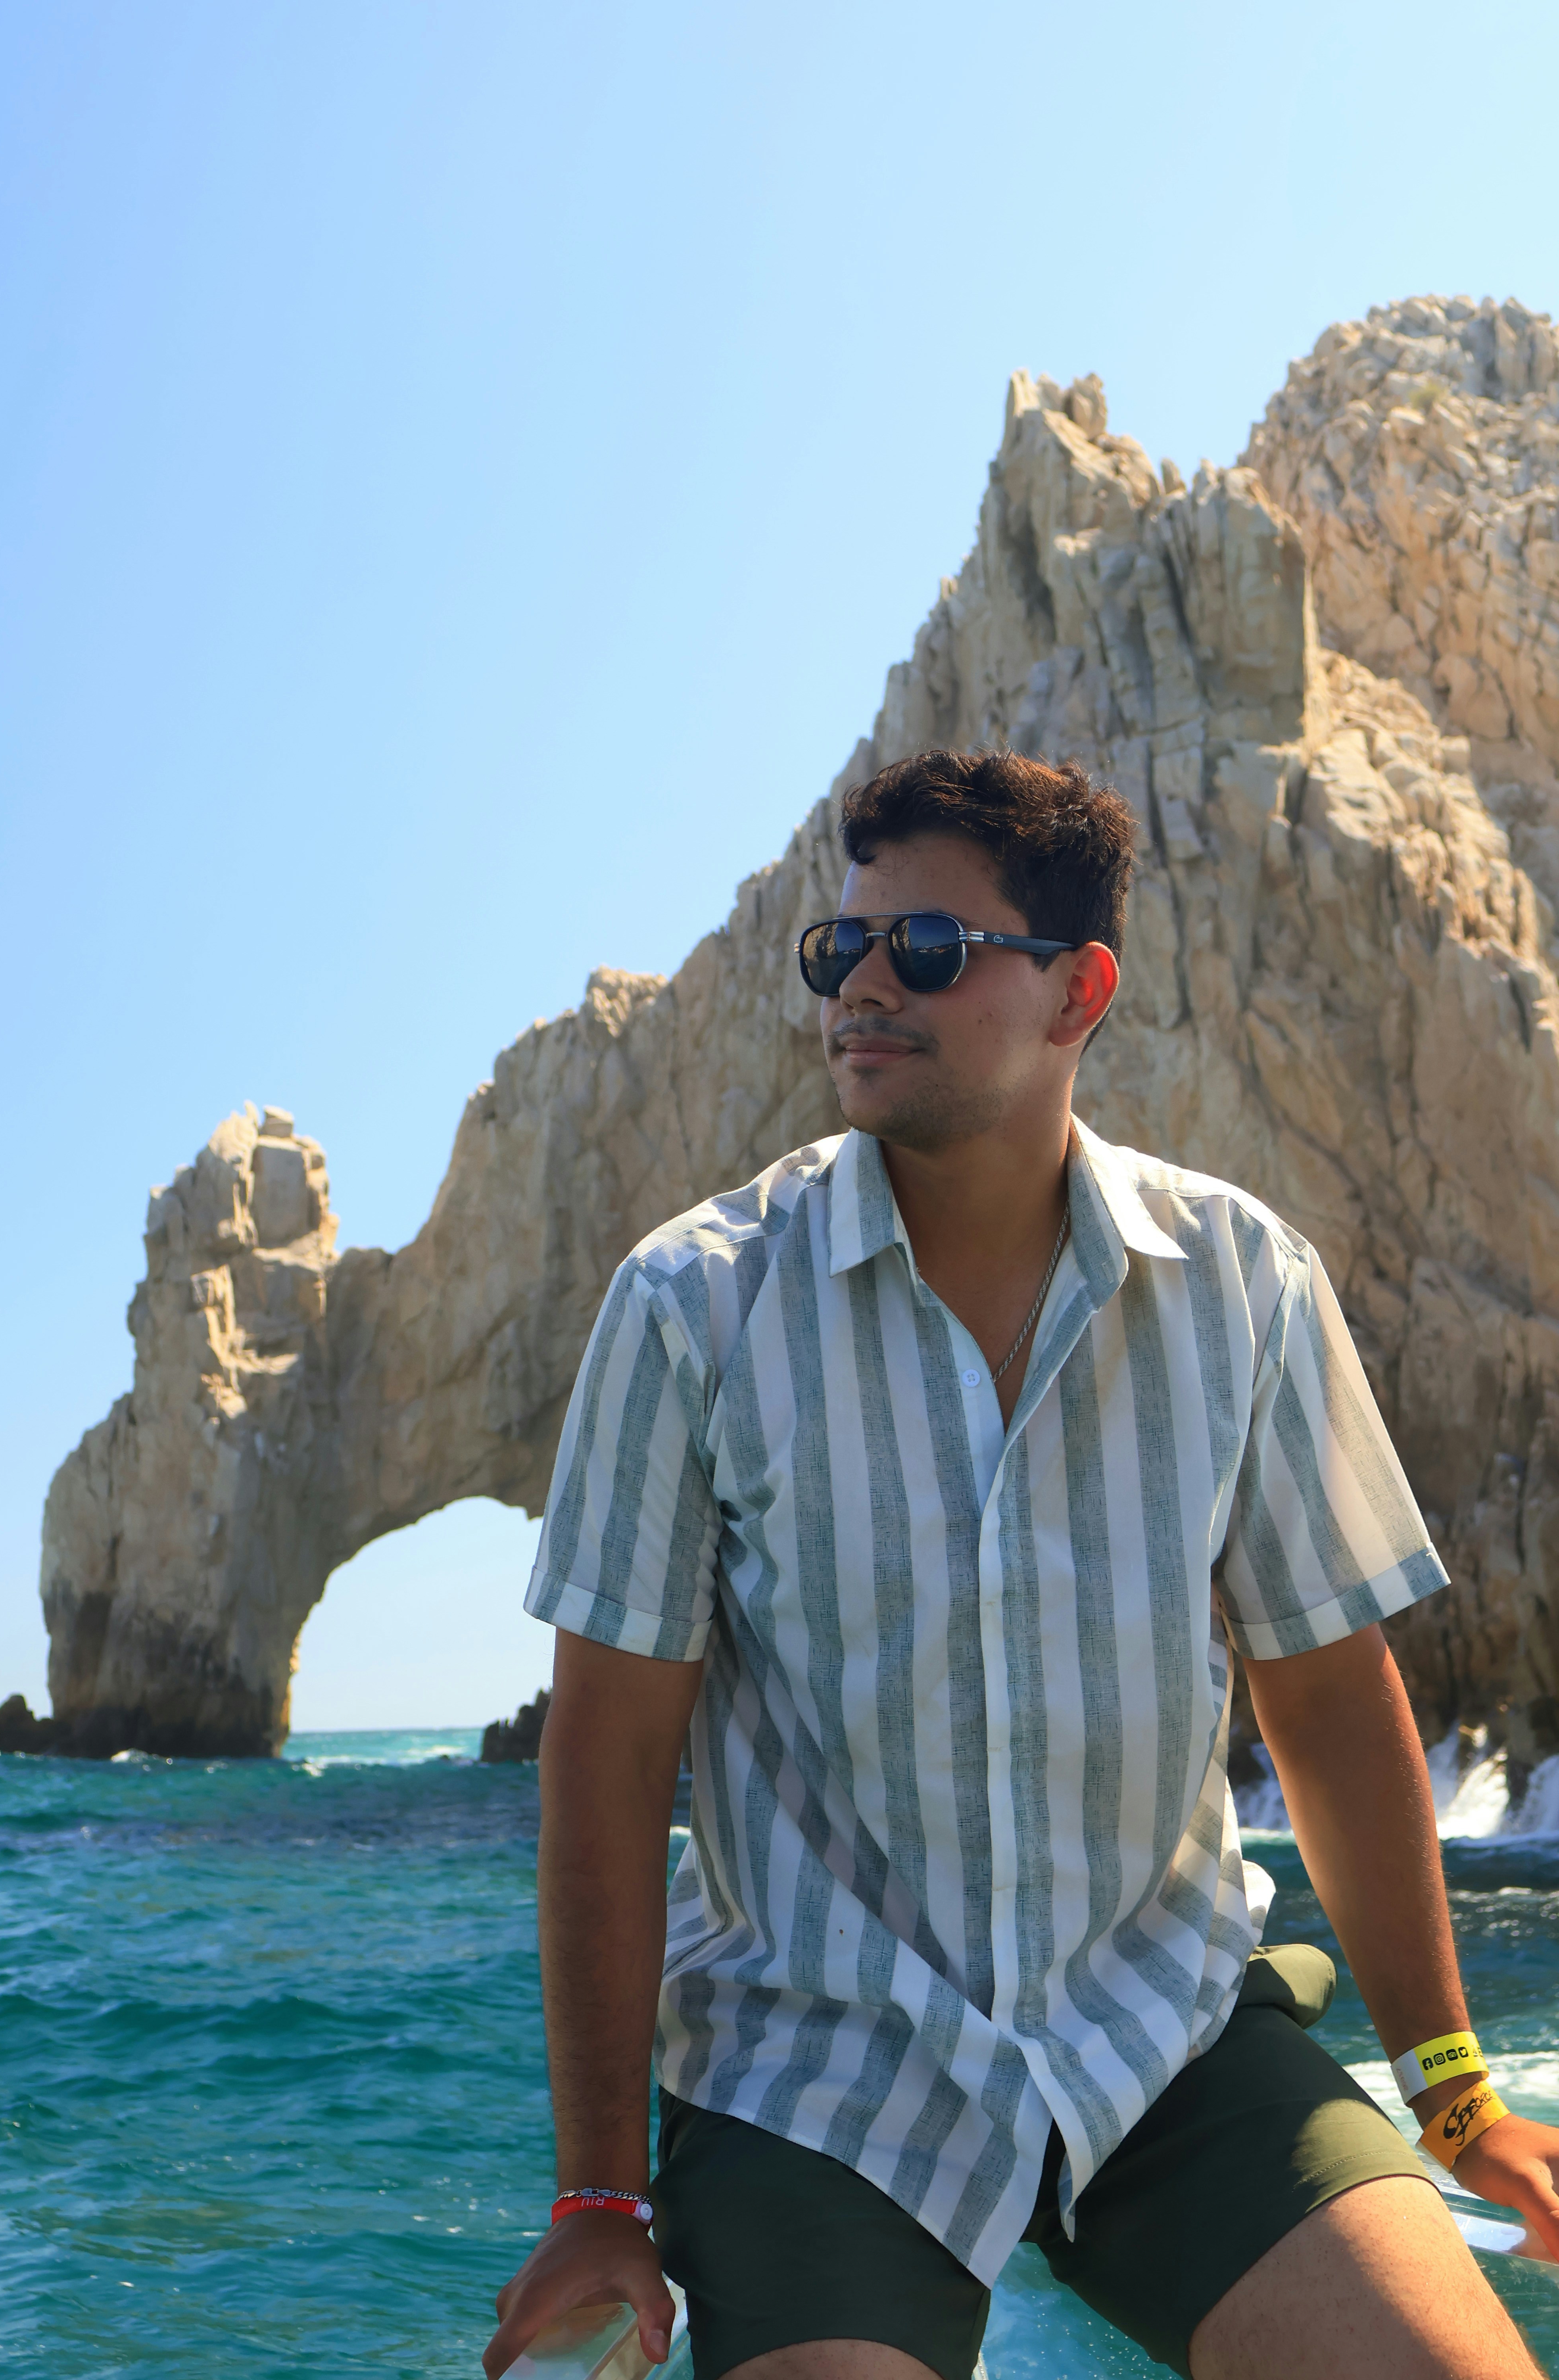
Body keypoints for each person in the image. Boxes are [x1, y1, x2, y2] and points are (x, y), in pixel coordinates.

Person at [484, 750, 1559, 2380]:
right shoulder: (686, 1307)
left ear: (1079, 994)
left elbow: (1331, 1693)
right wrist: (598, 2193)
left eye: (924, 951)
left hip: (1168, 2043)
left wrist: (1453, 2086)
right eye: (839, 950)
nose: (862, 987)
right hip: (816, 2079)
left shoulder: (1243, 1285)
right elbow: (610, 1759)